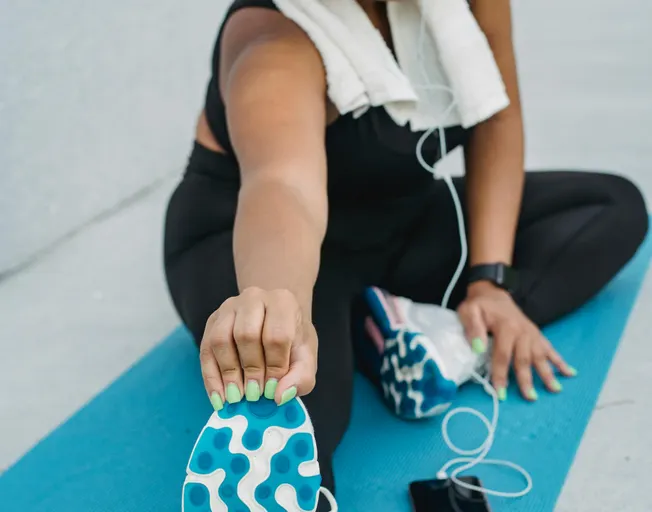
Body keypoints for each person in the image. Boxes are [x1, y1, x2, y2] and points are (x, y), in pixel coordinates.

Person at [164, 0, 648, 506]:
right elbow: (283, 187)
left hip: (395, 221)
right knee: (283, 431)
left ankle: (411, 331)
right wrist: (275, 304)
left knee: (608, 207)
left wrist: (489, 281)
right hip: (270, 247)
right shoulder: (272, 32)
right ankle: (381, 330)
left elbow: (497, 118)